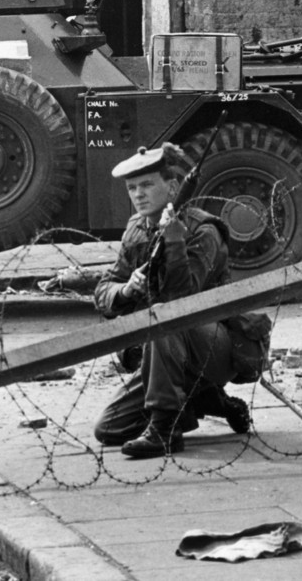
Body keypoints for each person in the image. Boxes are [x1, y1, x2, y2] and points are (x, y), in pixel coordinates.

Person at [93, 144, 254, 459]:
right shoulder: (137, 229)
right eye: (132, 188)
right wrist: (126, 290)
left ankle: (165, 430)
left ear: (172, 187)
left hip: (210, 346)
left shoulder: (203, 230)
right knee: (109, 429)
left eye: (147, 185)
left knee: (165, 315)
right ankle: (210, 401)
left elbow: (185, 297)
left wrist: (174, 239)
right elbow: (104, 289)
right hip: (162, 352)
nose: (138, 194)